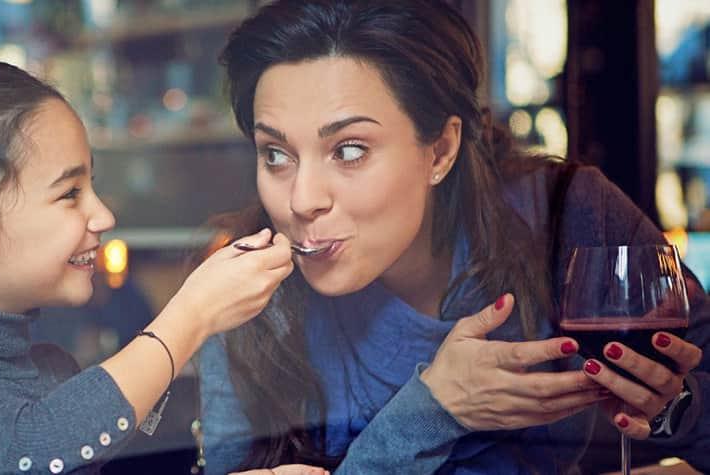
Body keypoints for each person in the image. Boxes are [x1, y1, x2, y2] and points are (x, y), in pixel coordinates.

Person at [197, 1, 710, 473]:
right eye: (276, 155)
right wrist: (433, 410)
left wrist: (670, 409)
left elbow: (690, 407)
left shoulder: (564, 215)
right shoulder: (247, 297)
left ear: (440, 150)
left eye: (349, 150)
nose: (302, 199)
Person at [0, 59, 325, 475]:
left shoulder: (47, 366)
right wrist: (190, 317)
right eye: (70, 193)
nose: (104, 214)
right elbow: (24, 453)